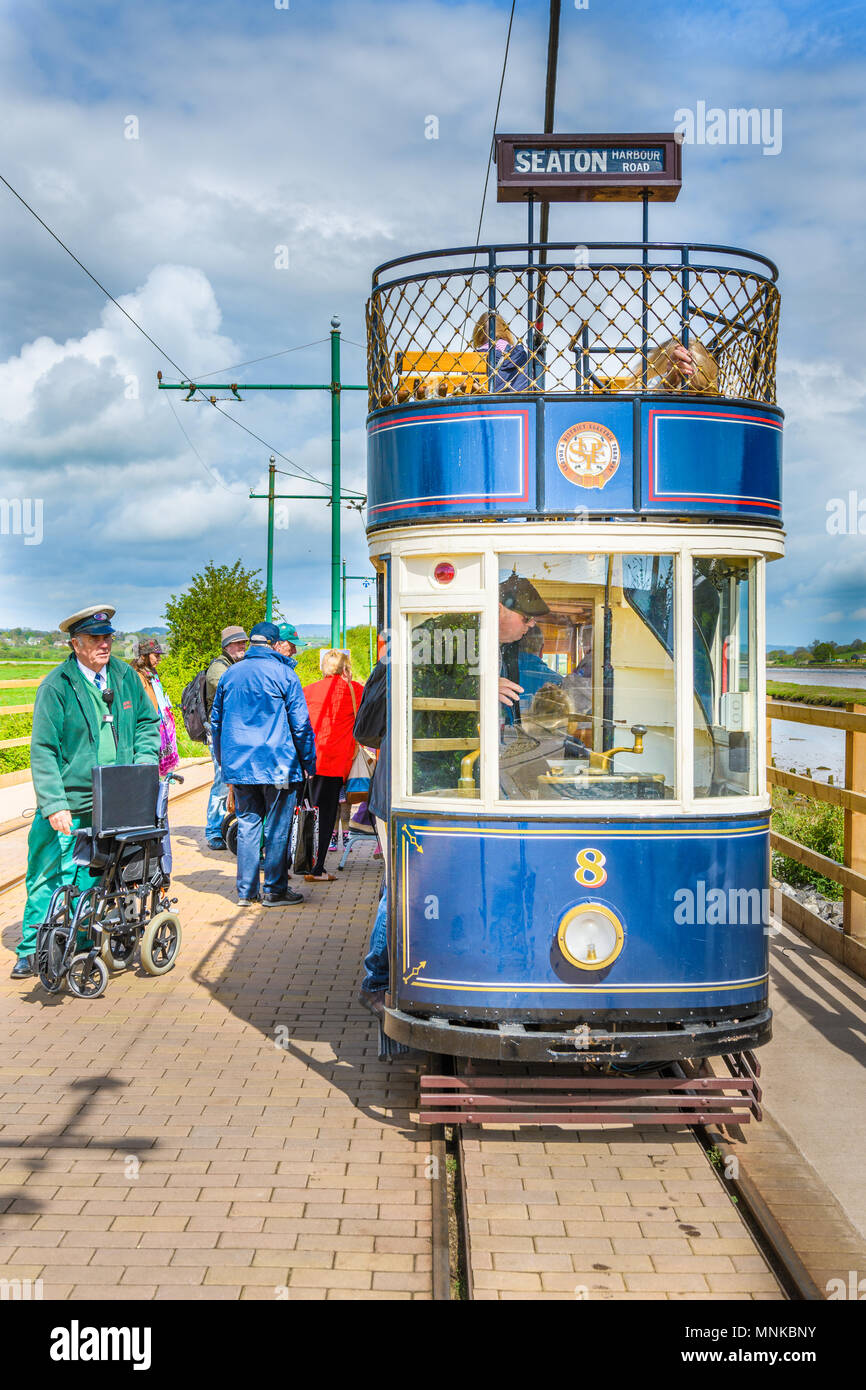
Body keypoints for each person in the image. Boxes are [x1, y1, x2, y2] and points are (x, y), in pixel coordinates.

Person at [11, 605, 159, 979]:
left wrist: (143, 763)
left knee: (91, 878)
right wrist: (54, 803)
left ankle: (75, 944)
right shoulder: (56, 686)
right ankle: (32, 948)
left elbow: (146, 722)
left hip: (113, 800)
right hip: (69, 800)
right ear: (75, 644)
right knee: (47, 875)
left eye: (108, 637)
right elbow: (43, 748)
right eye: (95, 638)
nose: (105, 644)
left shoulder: (124, 676)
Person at [210, 621, 315, 907]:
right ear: (272, 643)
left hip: (240, 766)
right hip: (278, 764)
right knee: (278, 827)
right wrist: (309, 762)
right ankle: (275, 890)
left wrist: (224, 762)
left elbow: (216, 722)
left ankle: (246, 892)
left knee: (248, 825)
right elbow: (301, 725)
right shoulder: (285, 673)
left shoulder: (230, 674)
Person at [302, 650, 365, 883]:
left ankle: (293, 862)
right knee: (327, 814)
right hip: (336, 763)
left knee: (304, 813)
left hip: (309, 761)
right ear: (345, 667)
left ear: (323, 667)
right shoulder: (355, 691)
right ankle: (316, 869)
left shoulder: (308, 690)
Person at [204, 625, 248, 850]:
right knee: (222, 782)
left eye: (244, 643)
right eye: (239, 643)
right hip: (220, 734)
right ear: (227, 646)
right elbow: (231, 691)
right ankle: (213, 832)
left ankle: (224, 827)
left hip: (232, 733)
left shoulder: (234, 666)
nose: (243, 646)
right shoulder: (218, 668)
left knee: (231, 781)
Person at [498, 573, 551, 713]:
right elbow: (435, 684)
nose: (532, 624)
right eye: (527, 617)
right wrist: (482, 690)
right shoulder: (462, 638)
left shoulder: (502, 648)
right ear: (499, 610)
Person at [471, 310, 532, 392]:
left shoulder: (473, 359)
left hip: (485, 403)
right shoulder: (521, 356)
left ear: (478, 334)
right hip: (520, 403)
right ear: (505, 330)